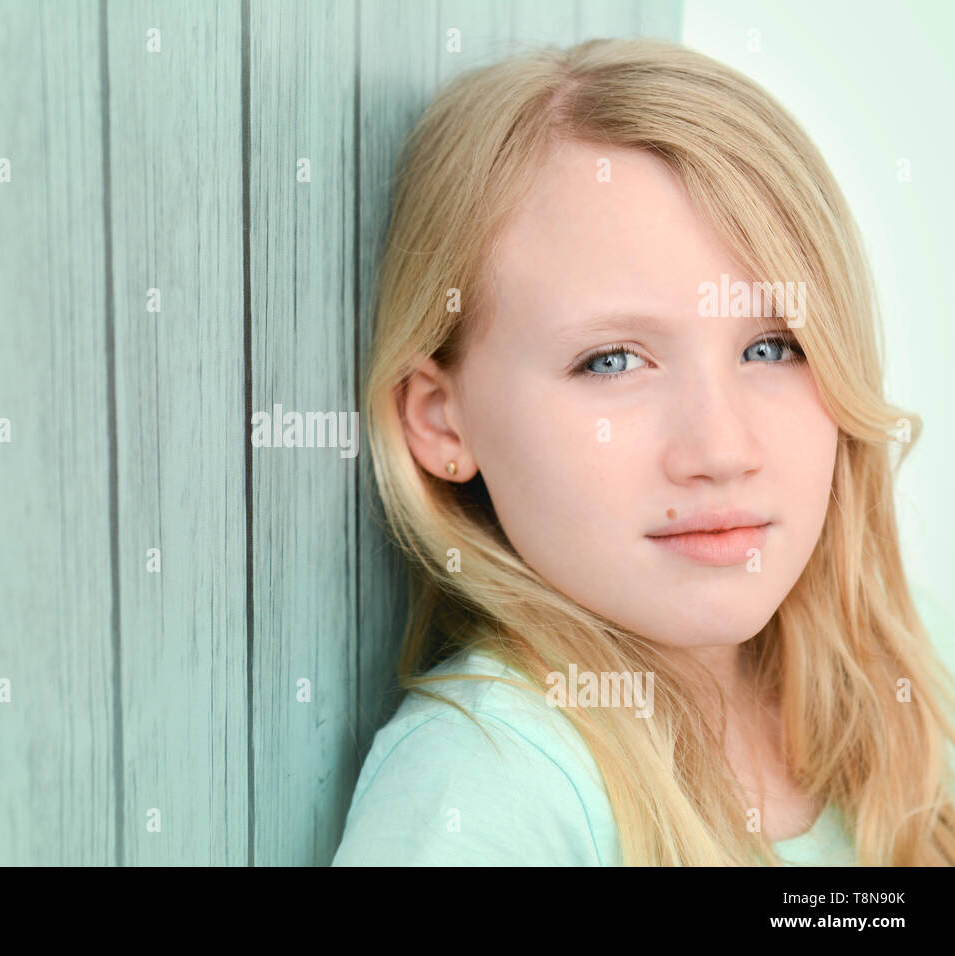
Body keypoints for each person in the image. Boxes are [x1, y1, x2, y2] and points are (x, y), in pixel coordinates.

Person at [333, 37, 955, 866]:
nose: (721, 450)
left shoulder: (923, 667)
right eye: (612, 362)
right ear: (444, 422)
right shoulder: (489, 789)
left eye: (772, 347)